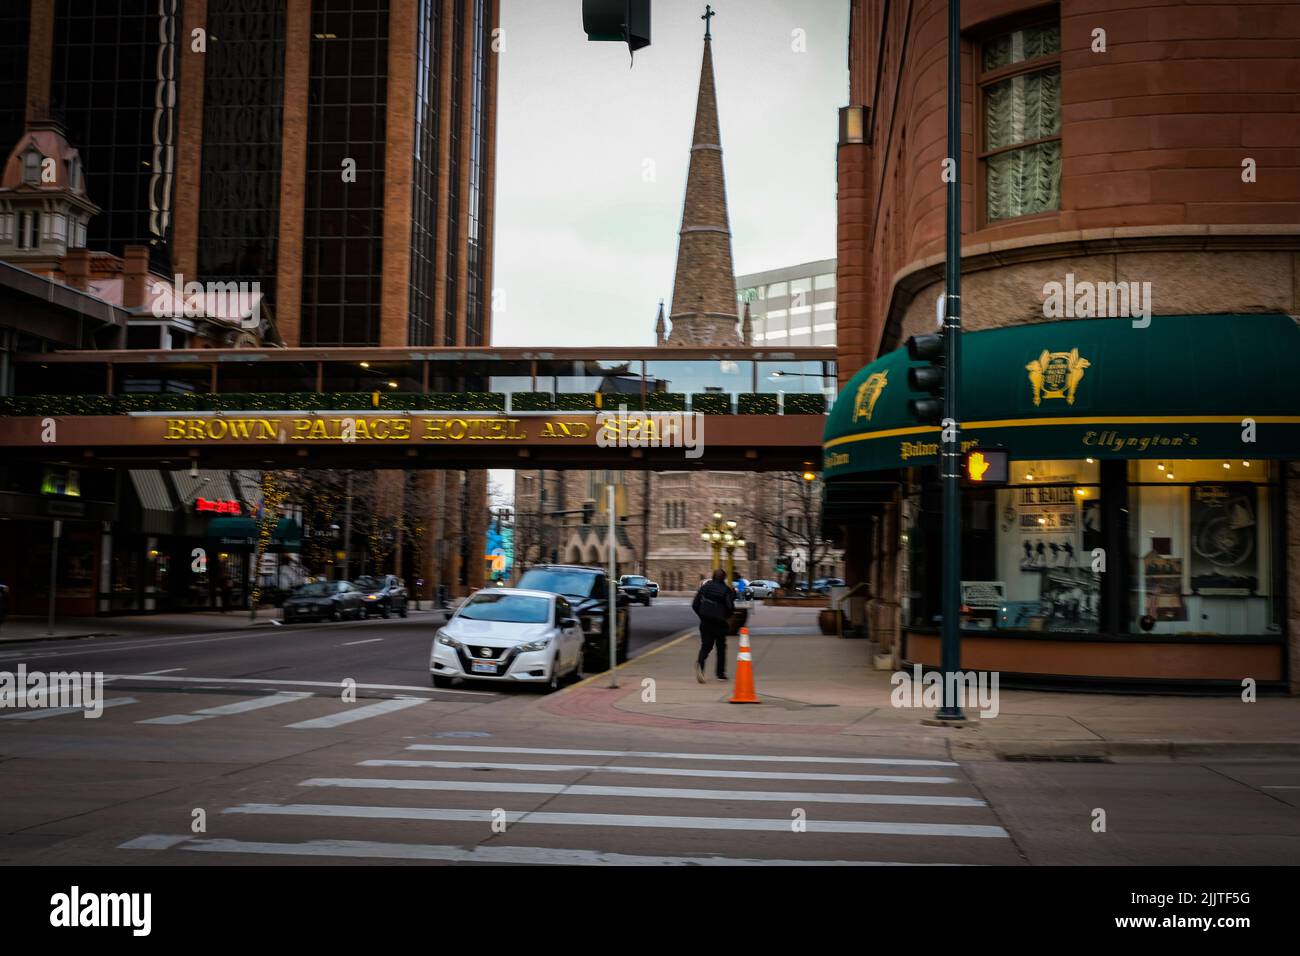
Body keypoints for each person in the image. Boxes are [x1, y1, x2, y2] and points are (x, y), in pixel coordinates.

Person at [691, 568, 735, 683]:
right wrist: (725, 617)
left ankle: (700, 664)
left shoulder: (704, 588)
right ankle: (720, 674)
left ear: (713, 577)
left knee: (705, 646)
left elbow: (695, 604)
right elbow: (730, 608)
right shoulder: (726, 590)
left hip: (705, 621)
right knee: (721, 647)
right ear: (724, 578)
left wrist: (702, 616)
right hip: (719, 623)